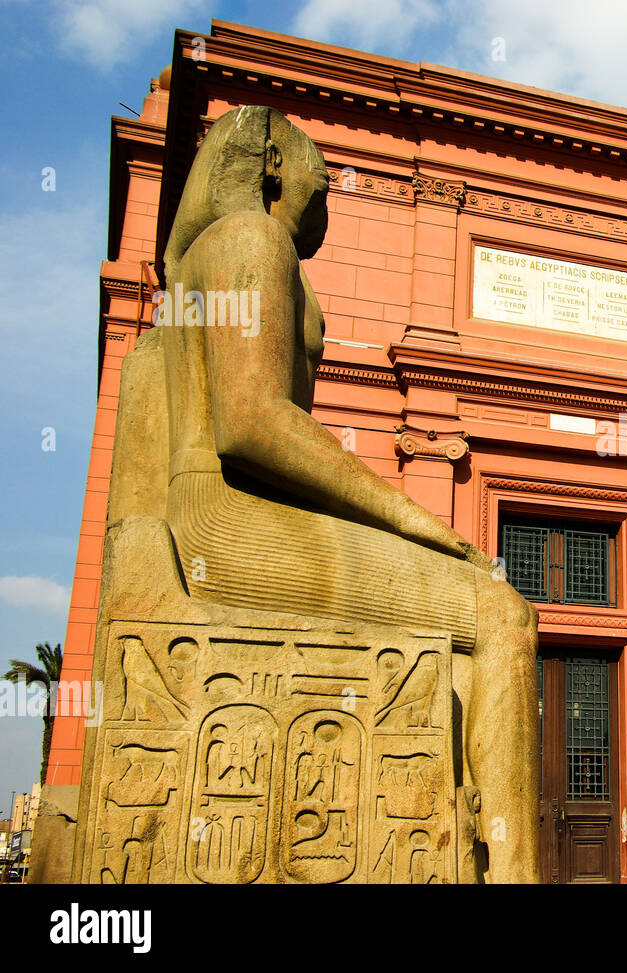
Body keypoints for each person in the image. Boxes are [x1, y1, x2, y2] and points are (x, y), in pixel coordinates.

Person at [156, 105, 539, 882]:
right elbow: (251, 421)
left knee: (464, 633)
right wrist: (411, 517)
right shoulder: (252, 238)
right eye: (320, 176)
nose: (327, 191)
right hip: (229, 523)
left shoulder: (209, 256)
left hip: (222, 515)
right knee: (503, 613)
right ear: (272, 162)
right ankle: (516, 871)